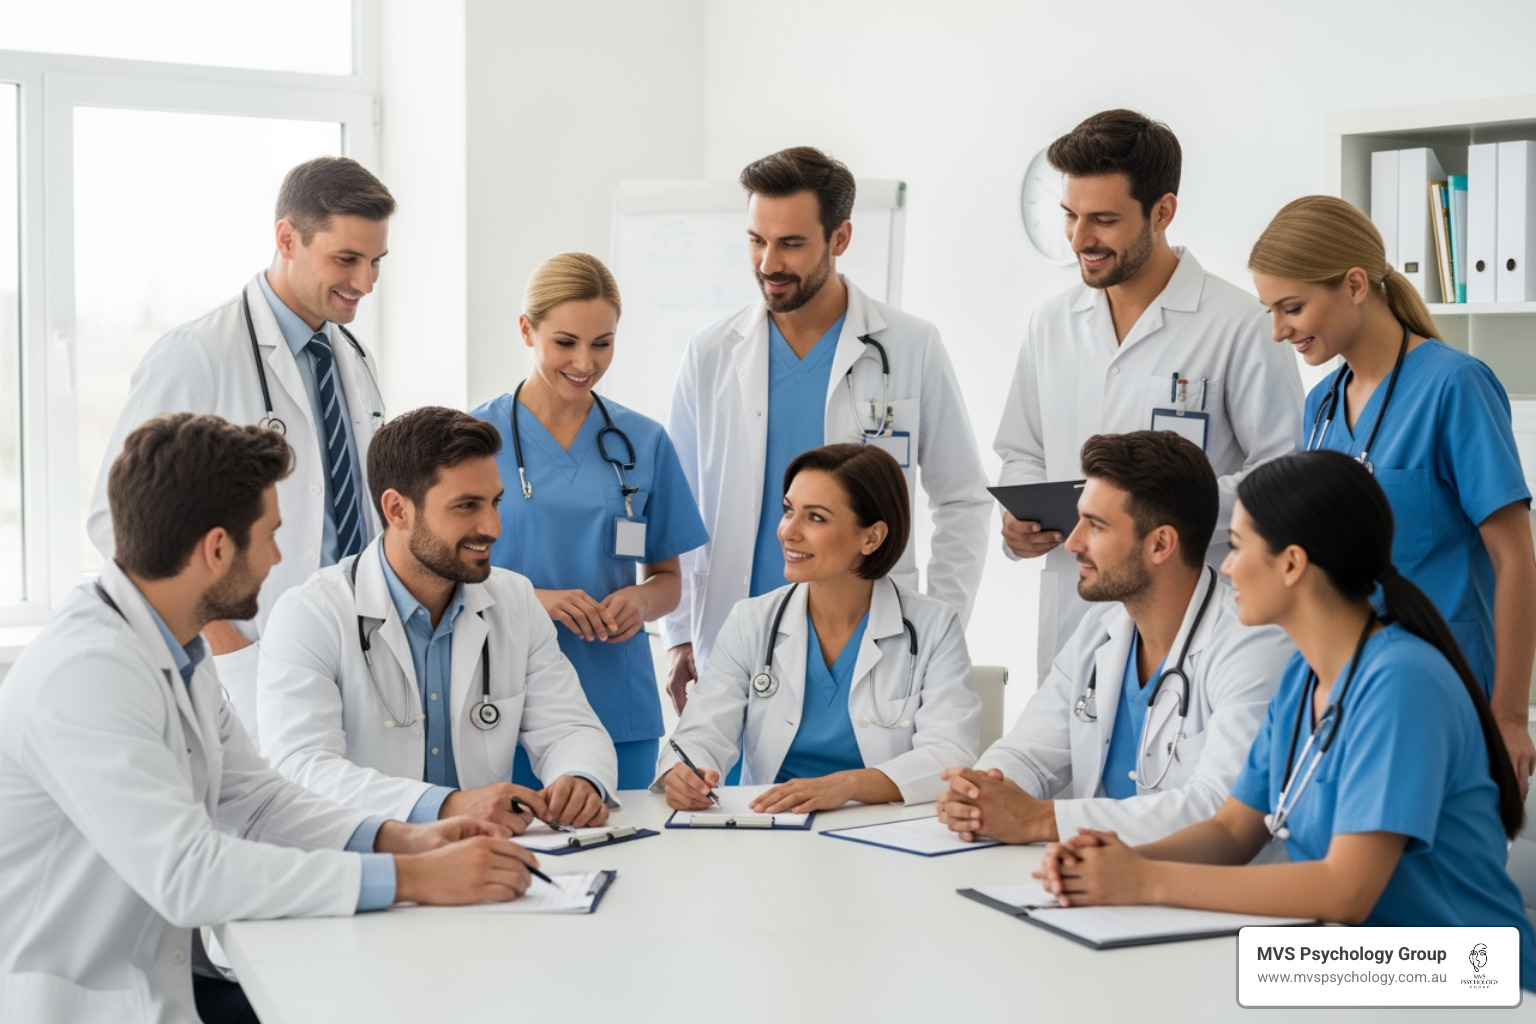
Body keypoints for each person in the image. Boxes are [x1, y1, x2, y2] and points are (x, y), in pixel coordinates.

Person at [0, 414, 538, 1024]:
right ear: (217, 548)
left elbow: (256, 800)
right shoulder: (87, 673)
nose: (280, 556)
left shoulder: (173, 647)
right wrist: (409, 877)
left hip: (169, 982)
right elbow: (188, 873)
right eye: (272, 535)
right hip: (80, 1003)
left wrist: (405, 837)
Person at [1036, 451, 1536, 992]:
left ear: (1292, 563)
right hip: (1354, 963)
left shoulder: (1401, 681)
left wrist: (1146, 880)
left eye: (1242, 545)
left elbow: (1346, 890)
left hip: (1465, 974)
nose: (1226, 565)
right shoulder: (1303, 676)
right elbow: (1233, 831)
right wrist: (1114, 858)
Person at [664, 145, 991, 714]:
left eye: (791, 243)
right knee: (738, 795)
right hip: (739, 643)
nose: (768, 263)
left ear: (840, 239)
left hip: (873, 639)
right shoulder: (711, 353)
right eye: (756, 240)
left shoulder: (909, 346)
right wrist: (679, 633)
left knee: (869, 796)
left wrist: (938, 626)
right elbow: (680, 506)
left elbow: (962, 500)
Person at [87, 156, 396, 743]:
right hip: (249, 657)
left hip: (353, 650)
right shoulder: (197, 354)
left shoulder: (353, 359)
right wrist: (228, 644)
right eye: (347, 260)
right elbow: (116, 520)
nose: (366, 283)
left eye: (376, 262)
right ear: (287, 238)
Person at [994, 109, 1303, 682]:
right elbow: (1021, 452)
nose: (1080, 239)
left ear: (1162, 212)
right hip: (1075, 620)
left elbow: (1281, 482)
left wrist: (1155, 517)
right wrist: (1018, 523)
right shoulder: (1049, 323)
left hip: (1197, 626)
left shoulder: (1239, 324)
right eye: (1070, 216)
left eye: (1103, 220)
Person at [1249, 194, 1536, 785]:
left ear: (1355, 284)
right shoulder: (1321, 407)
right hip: (1349, 696)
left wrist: (1508, 716)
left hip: (1446, 694)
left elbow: (1516, 558)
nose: (1278, 331)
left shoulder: (1455, 386)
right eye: (1270, 311)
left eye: (1292, 307)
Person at [257, 407, 618, 833]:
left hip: (489, 860)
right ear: (397, 510)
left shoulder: (514, 600)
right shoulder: (311, 614)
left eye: (495, 502)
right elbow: (301, 767)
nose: (493, 527)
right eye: (467, 506)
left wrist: (578, 777)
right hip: (373, 863)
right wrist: (447, 807)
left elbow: (569, 727)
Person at [938, 431, 1292, 845]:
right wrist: (981, 790)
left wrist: (1040, 820)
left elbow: (1219, 810)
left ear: (1160, 543)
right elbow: (1028, 753)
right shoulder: (1099, 631)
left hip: (1208, 897)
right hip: (1102, 886)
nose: (1072, 542)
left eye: (1095, 525)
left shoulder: (1252, 645)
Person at [471, 254, 707, 790]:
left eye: (602, 343)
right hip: (504, 699)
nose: (585, 361)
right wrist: (538, 602)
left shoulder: (644, 442)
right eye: (565, 342)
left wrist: (640, 603)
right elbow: (445, 578)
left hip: (616, 700)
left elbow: (668, 581)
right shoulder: (472, 438)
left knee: (627, 859)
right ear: (527, 330)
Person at [655, 444, 979, 813]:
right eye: (788, 511)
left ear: (871, 537)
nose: (787, 532)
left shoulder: (934, 626)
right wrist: (684, 772)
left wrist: (847, 785)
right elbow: (701, 733)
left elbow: (949, 755)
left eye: (816, 518)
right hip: (774, 825)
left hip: (884, 829)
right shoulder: (751, 621)